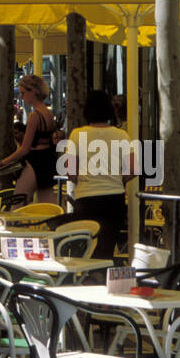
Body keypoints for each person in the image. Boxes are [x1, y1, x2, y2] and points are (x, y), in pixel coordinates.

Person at [65, 90, 136, 260]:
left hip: (86, 198)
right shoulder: (122, 135)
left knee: (87, 249)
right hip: (114, 199)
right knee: (107, 248)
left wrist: (82, 180)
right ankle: (103, 280)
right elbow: (133, 169)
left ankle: (89, 280)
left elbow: (70, 171)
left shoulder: (77, 135)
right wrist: (119, 180)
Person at [0, 73, 58, 203]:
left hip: (35, 161)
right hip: (48, 159)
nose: (21, 97)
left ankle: (18, 224)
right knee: (47, 204)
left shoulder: (35, 116)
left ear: (33, 92)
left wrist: (1, 163)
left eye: (23, 93)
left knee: (19, 201)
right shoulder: (49, 114)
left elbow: (25, 149)